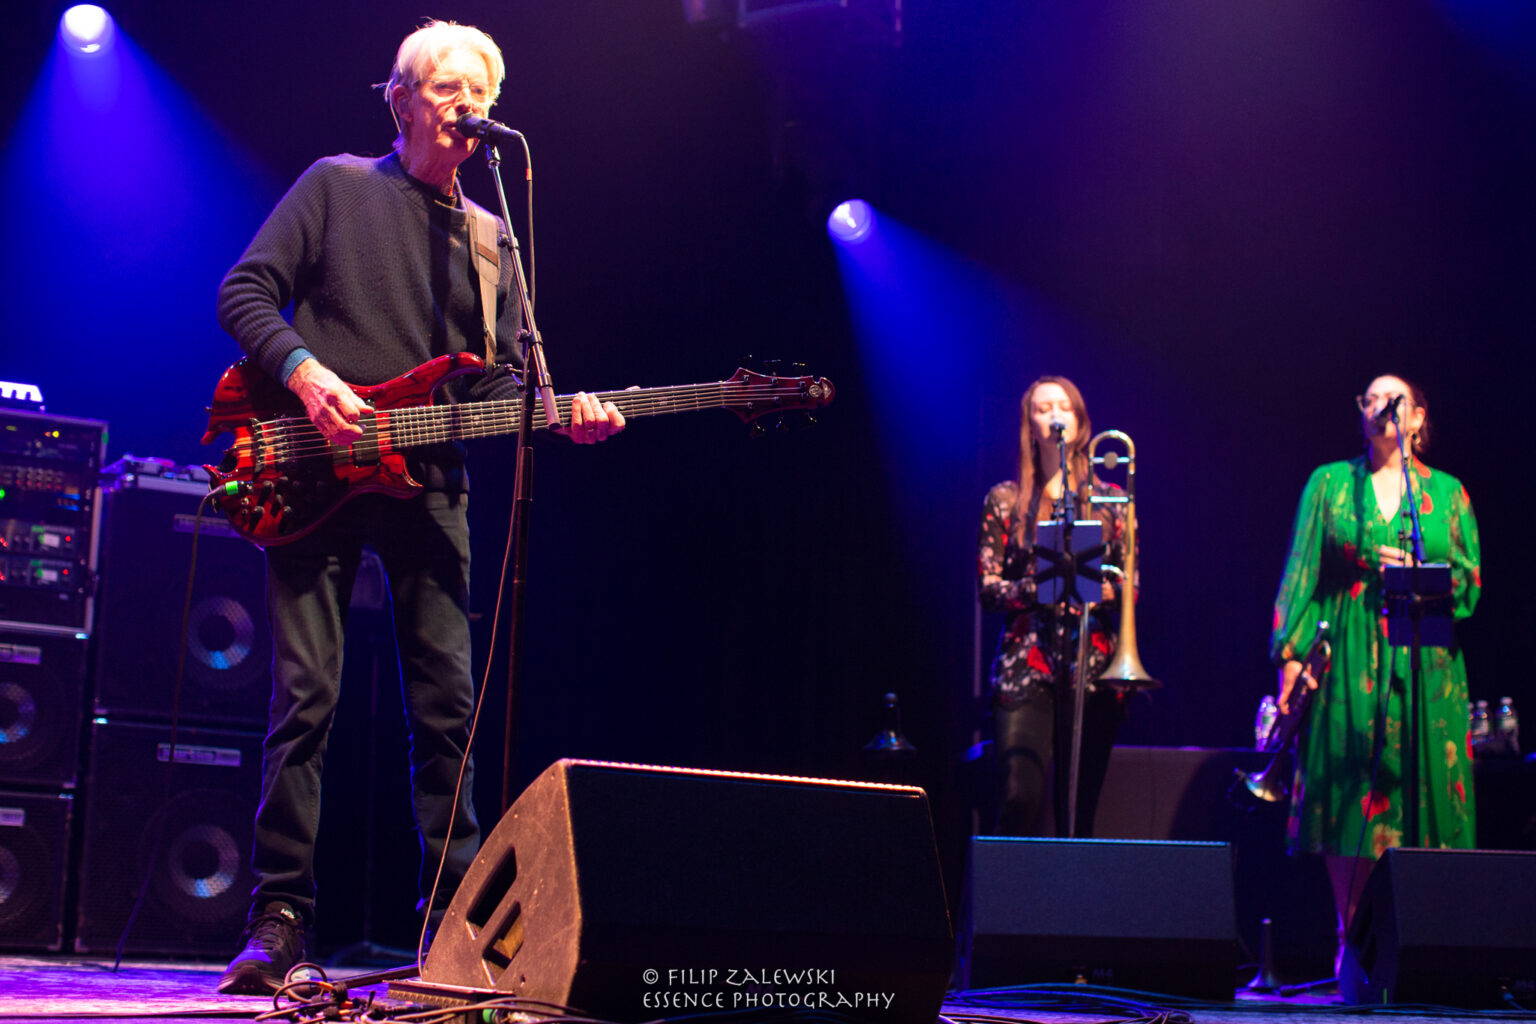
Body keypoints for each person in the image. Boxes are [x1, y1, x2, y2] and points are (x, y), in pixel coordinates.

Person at [213, 20, 625, 994]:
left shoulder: (492, 240)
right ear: (398, 101)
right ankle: (280, 916)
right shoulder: (336, 186)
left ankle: (457, 925)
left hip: (428, 484)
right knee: (307, 696)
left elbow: (503, 390)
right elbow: (244, 293)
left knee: (448, 711)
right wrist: (307, 374)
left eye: (477, 88)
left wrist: (566, 415)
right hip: (307, 465)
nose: (462, 103)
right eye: (443, 86)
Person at [1270, 373, 1480, 964]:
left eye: (1399, 400)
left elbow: (1469, 582)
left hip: (1425, 656)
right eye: (1373, 398)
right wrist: (1289, 657)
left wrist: (1425, 568)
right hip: (1350, 655)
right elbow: (1300, 571)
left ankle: (1429, 942)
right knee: (1349, 794)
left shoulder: (1447, 492)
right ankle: (1352, 942)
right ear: (1362, 413)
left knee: (1424, 788)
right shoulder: (1331, 484)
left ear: (1417, 418)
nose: (1386, 407)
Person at [977, 376, 1132, 837]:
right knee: (1018, 797)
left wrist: (1107, 590)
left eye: (1064, 406)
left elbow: (1132, 582)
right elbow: (988, 588)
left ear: (1080, 421)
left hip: (1092, 663)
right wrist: (1042, 585)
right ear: (1031, 424)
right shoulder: (1004, 500)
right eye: (1043, 408)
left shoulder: (1111, 501)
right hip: (1026, 660)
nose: (1055, 415)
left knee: (1077, 813)